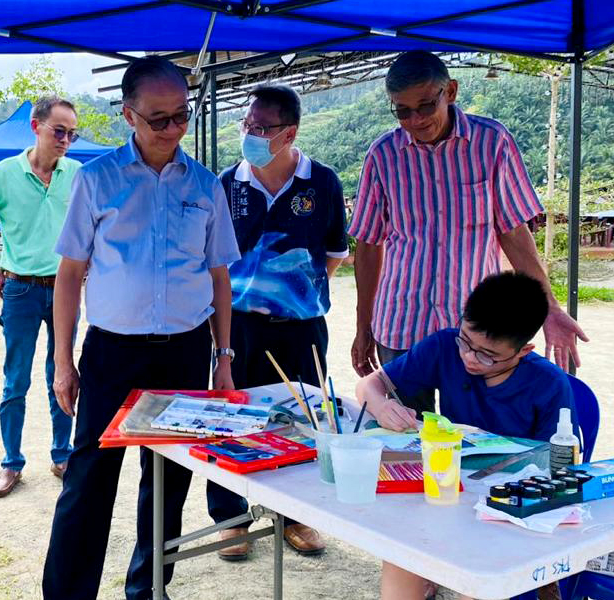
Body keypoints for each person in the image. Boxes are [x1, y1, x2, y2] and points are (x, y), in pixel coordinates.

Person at [42, 56, 240, 600]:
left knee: (169, 481)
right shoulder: (97, 179)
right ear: (129, 115)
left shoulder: (204, 184)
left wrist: (223, 358)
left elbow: (219, 275)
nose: (174, 129)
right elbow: (69, 276)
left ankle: (149, 589)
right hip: (111, 350)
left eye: (181, 116)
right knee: (89, 480)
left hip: (184, 351)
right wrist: (63, 360)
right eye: (159, 119)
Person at [350, 50, 586, 417]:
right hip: (400, 323)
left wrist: (550, 307)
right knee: (404, 441)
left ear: (452, 91)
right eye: (402, 111)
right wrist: (363, 324)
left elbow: (513, 232)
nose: (415, 120)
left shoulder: (492, 142)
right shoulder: (383, 154)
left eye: (426, 106)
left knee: (474, 443)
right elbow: (368, 244)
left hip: (473, 334)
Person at [354, 271, 576, 600]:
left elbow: (560, 471)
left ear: (524, 350)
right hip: (452, 493)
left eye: (488, 355)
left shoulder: (549, 385)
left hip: (507, 509)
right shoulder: (445, 346)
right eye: (467, 342)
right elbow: (369, 384)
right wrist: (381, 405)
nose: (470, 358)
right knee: (400, 548)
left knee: (476, 577)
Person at [208, 84, 349, 560]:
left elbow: (333, 254)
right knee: (231, 418)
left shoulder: (323, 182)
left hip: (301, 328)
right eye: (247, 125)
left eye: (262, 128)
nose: (250, 134)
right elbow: (216, 264)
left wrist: (293, 293)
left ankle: (297, 516)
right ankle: (230, 519)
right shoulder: (226, 183)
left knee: (303, 421)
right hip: (238, 326)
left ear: (290, 132)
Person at [0, 95, 81, 497]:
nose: (65, 140)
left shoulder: (76, 173)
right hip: (20, 287)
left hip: (62, 288)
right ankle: (11, 462)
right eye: (59, 131)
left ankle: (63, 454)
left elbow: (96, 223)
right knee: (15, 379)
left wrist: (88, 261)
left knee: (62, 374)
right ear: (35, 126)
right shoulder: (5, 173)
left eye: (72, 134)